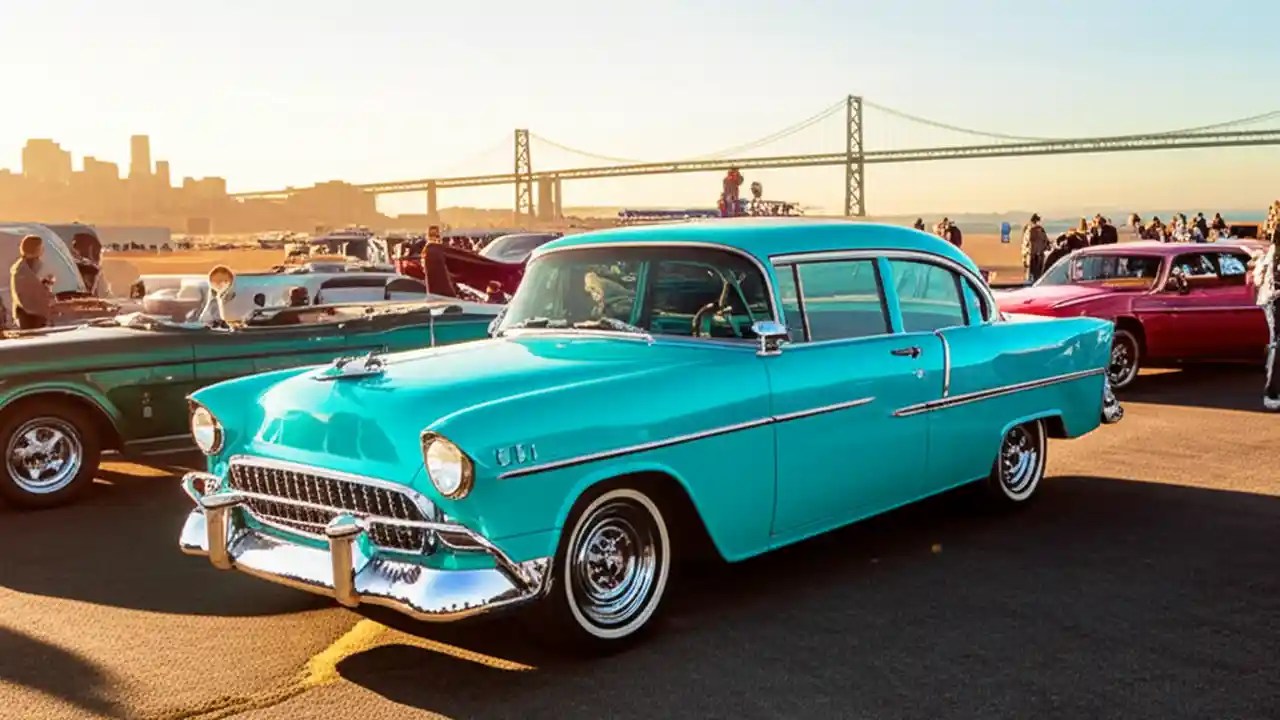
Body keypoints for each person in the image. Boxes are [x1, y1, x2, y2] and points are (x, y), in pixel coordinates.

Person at [1248, 226, 1280, 410]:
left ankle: (1272, 386)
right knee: (1277, 344)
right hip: (1276, 300)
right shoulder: (1275, 256)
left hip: (1269, 300)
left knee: (1275, 342)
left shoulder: (1270, 253)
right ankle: (1272, 391)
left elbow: (1257, 278)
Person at [9, 235, 56, 330]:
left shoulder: (34, 264)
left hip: (36, 312)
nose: (42, 250)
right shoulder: (21, 270)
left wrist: (46, 284)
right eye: (40, 247)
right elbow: (25, 293)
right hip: (29, 314)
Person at [1021, 214, 1049, 281]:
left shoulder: (1029, 228)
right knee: (1035, 274)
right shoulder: (1036, 229)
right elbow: (1045, 242)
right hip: (1034, 255)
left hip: (1033, 255)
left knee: (1032, 274)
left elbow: (1025, 244)